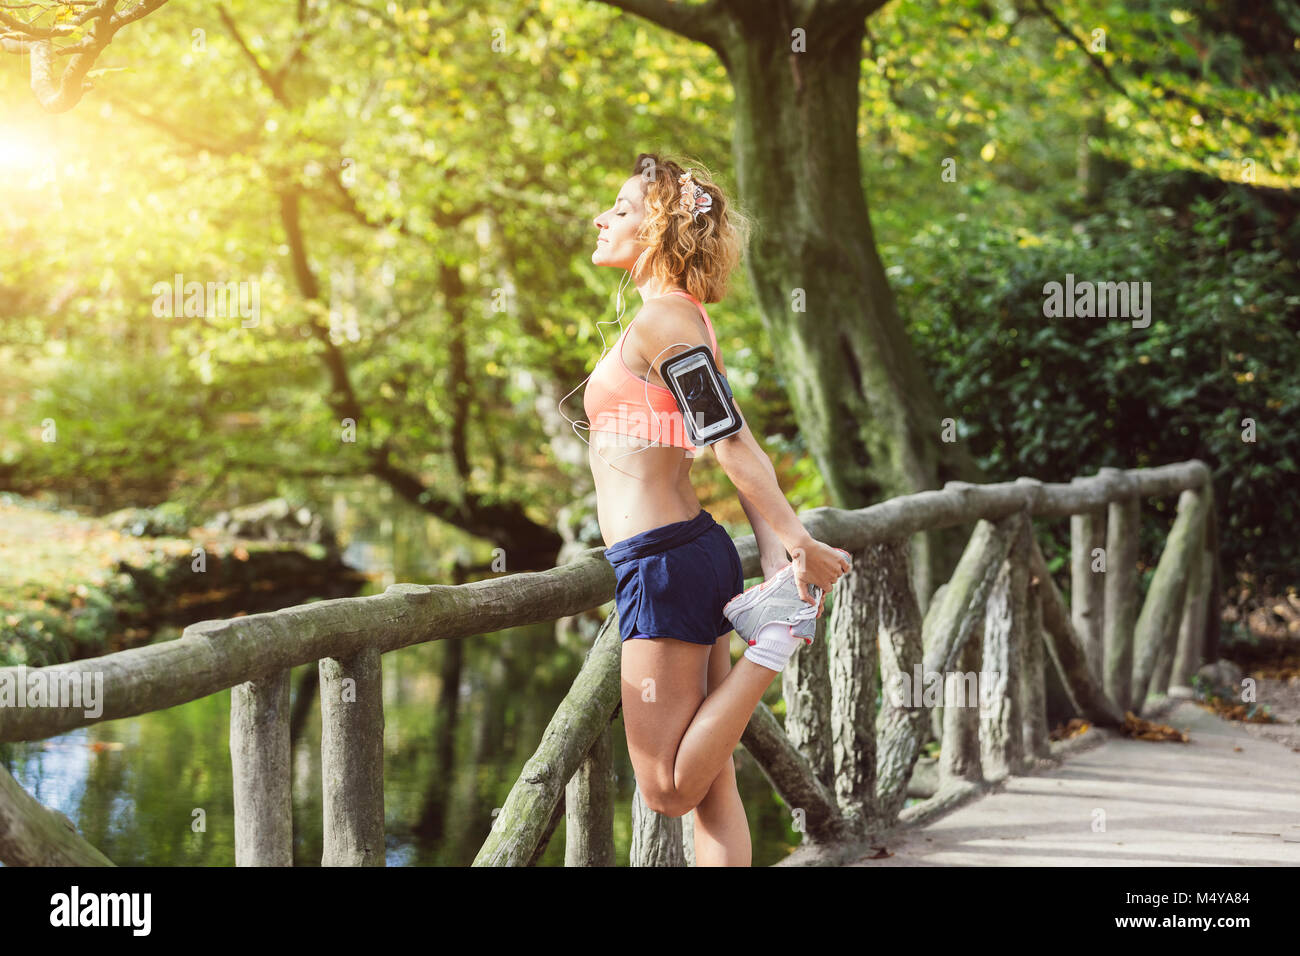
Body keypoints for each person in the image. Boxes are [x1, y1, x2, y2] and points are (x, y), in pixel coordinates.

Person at [560, 151, 850, 866]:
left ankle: (776, 641)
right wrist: (778, 545)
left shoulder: (665, 324)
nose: (602, 217)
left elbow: (727, 443)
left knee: (665, 788)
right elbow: (740, 435)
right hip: (682, 553)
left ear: (659, 232)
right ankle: (776, 630)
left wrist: (795, 542)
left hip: (662, 564)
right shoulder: (678, 321)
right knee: (712, 779)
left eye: (621, 209)